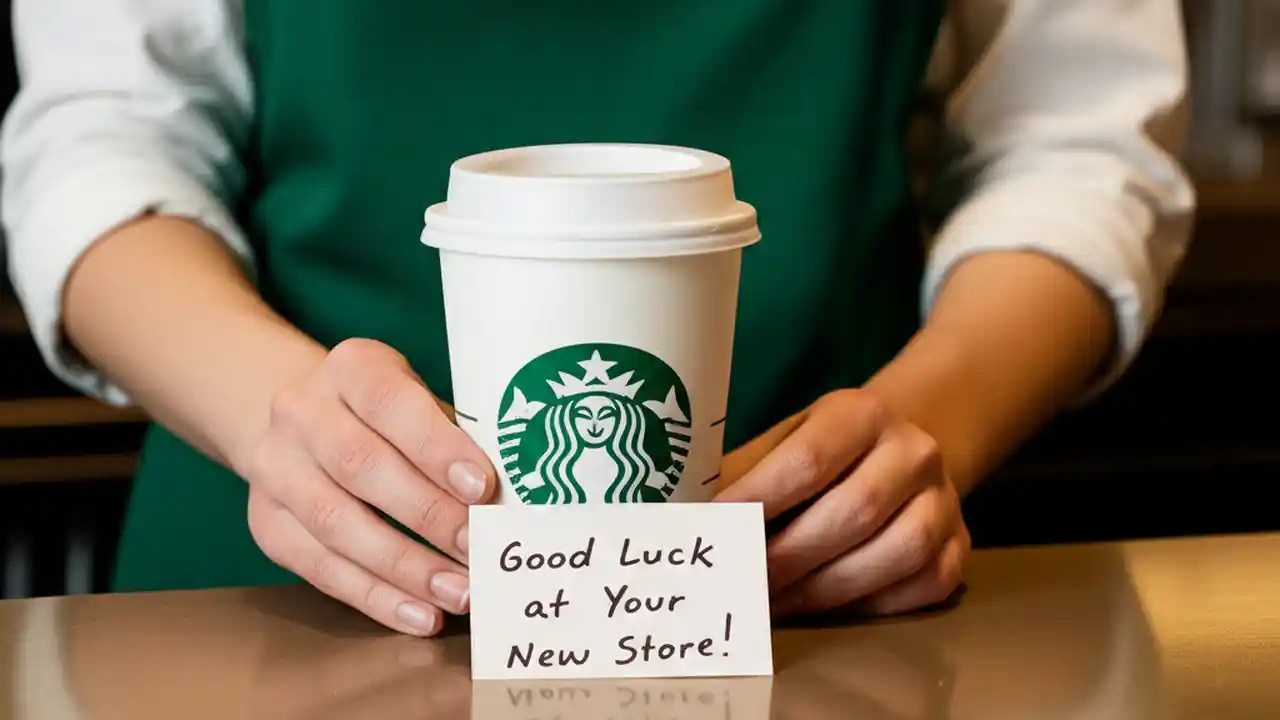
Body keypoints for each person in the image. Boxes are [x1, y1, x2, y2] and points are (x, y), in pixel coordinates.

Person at [2, 1, 1194, 636]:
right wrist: (275, 415)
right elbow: (102, 139)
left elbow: (1073, 144)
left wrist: (918, 425)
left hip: (809, 598)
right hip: (280, 603)